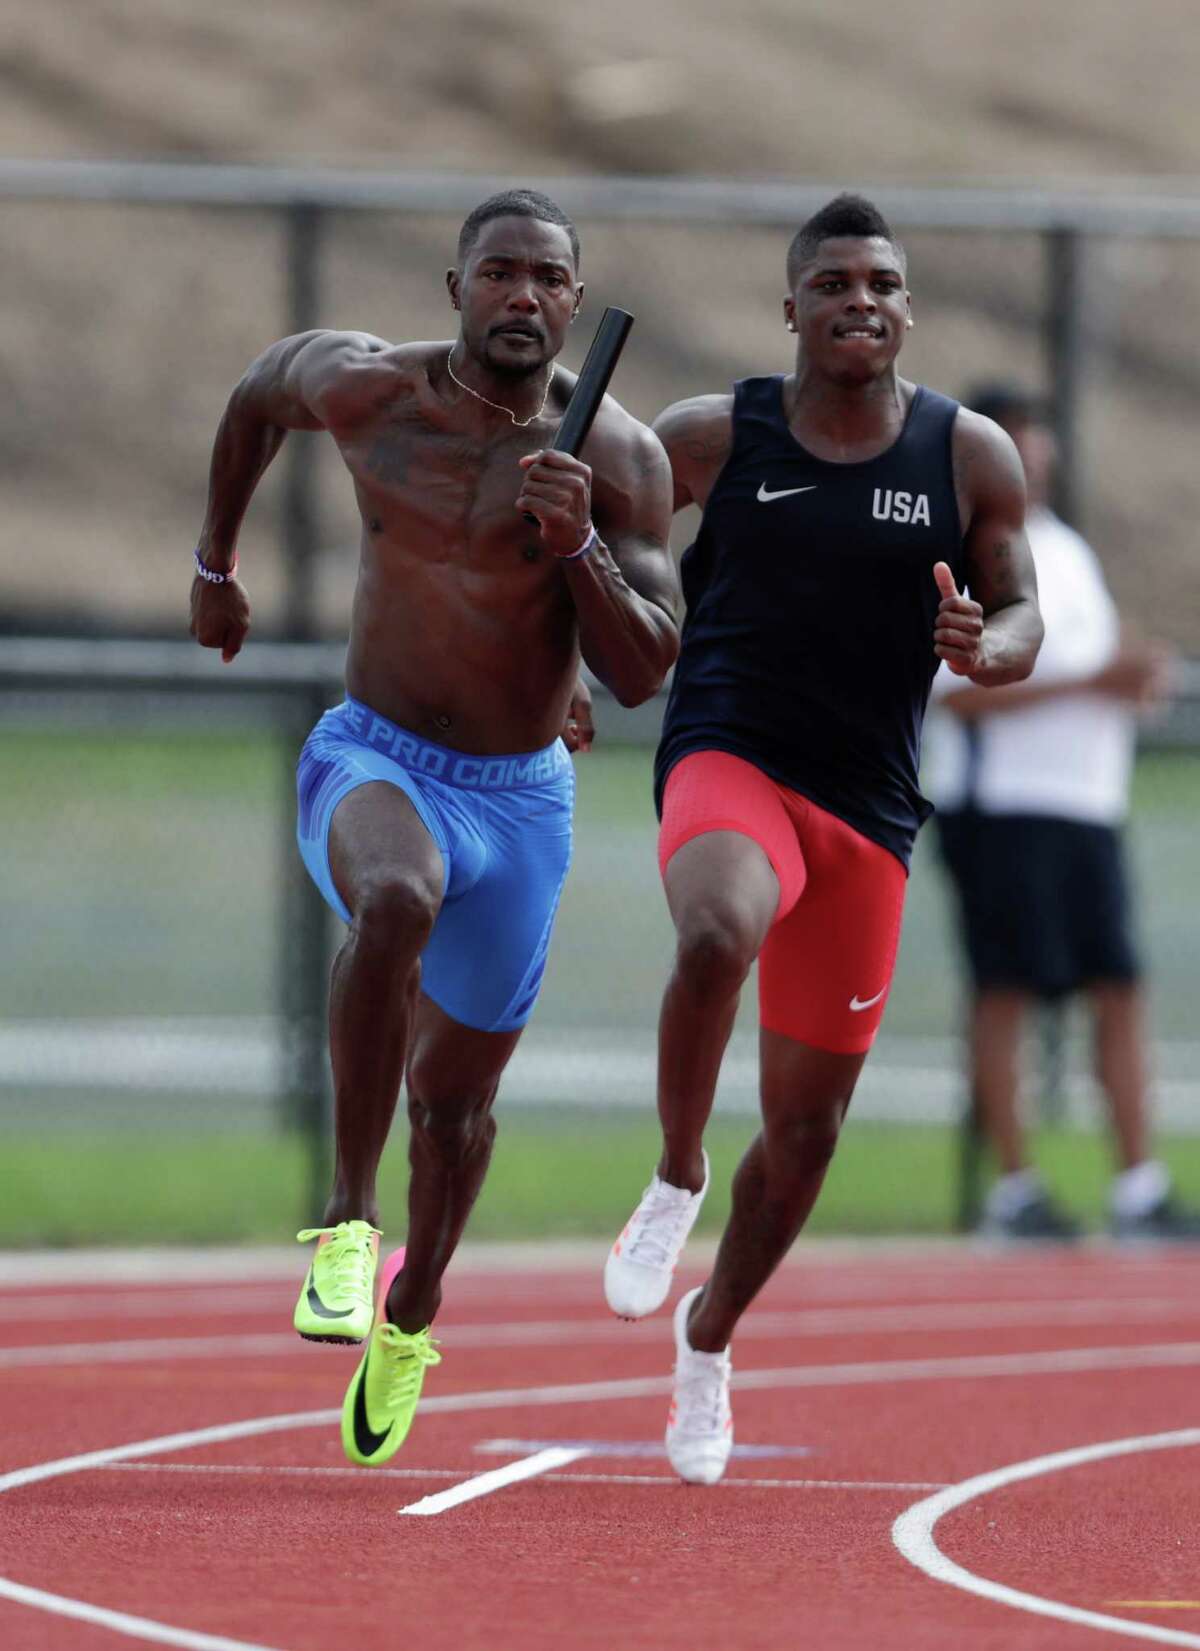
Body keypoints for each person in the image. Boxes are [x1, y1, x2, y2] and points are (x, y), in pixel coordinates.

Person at [189, 188, 678, 1465]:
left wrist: (580, 547)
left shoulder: (616, 455)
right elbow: (254, 395)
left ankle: (413, 1312)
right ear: (456, 287)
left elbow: (643, 669)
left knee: (455, 1112)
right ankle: (348, 1225)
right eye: (499, 272)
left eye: (548, 278)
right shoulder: (370, 391)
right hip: (375, 753)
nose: (524, 295)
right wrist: (215, 566)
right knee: (395, 894)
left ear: (576, 301)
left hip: (518, 797)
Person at [601, 193, 1044, 1486]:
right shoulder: (710, 435)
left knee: (804, 1136)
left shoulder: (967, 454)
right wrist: (573, 648)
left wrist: (987, 646)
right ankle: (676, 1172)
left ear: (908, 308)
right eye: (837, 283)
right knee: (715, 928)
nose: (862, 301)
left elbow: (1022, 613)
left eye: (884, 284)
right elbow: (609, 567)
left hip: (868, 810)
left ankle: (708, 1337)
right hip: (730, 752)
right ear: (789, 306)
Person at [924, 382, 1199, 1243]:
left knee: (1118, 984)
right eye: (1014, 439)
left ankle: (1139, 1186)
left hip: (1086, 803)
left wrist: (1129, 680)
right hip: (1004, 805)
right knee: (1005, 989)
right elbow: (956, 697)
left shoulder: (1067, 550)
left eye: (1037, 439)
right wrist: (1091, 684)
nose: (1034, 456)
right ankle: (1013, 1190)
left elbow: (1086, 665)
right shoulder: (963, 548)